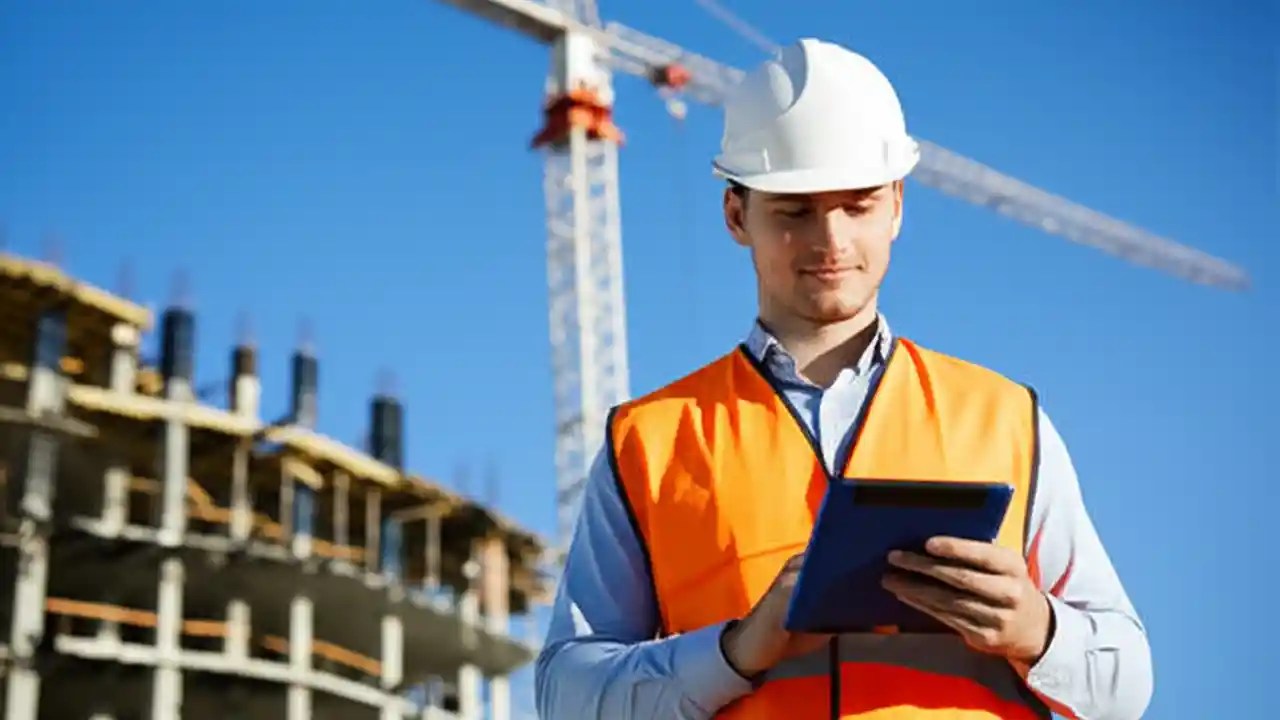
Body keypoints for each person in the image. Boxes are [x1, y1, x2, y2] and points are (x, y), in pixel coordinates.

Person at [534, 37, 1152, 720]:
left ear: (897, 207)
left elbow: (1126, 685)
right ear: (737, 215)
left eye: (857, 205)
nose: (831, 241)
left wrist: (1038, 628)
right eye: (795, 211)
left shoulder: (1005, 419)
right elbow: (567, 696)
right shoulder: (650, 441)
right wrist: (736, 650)